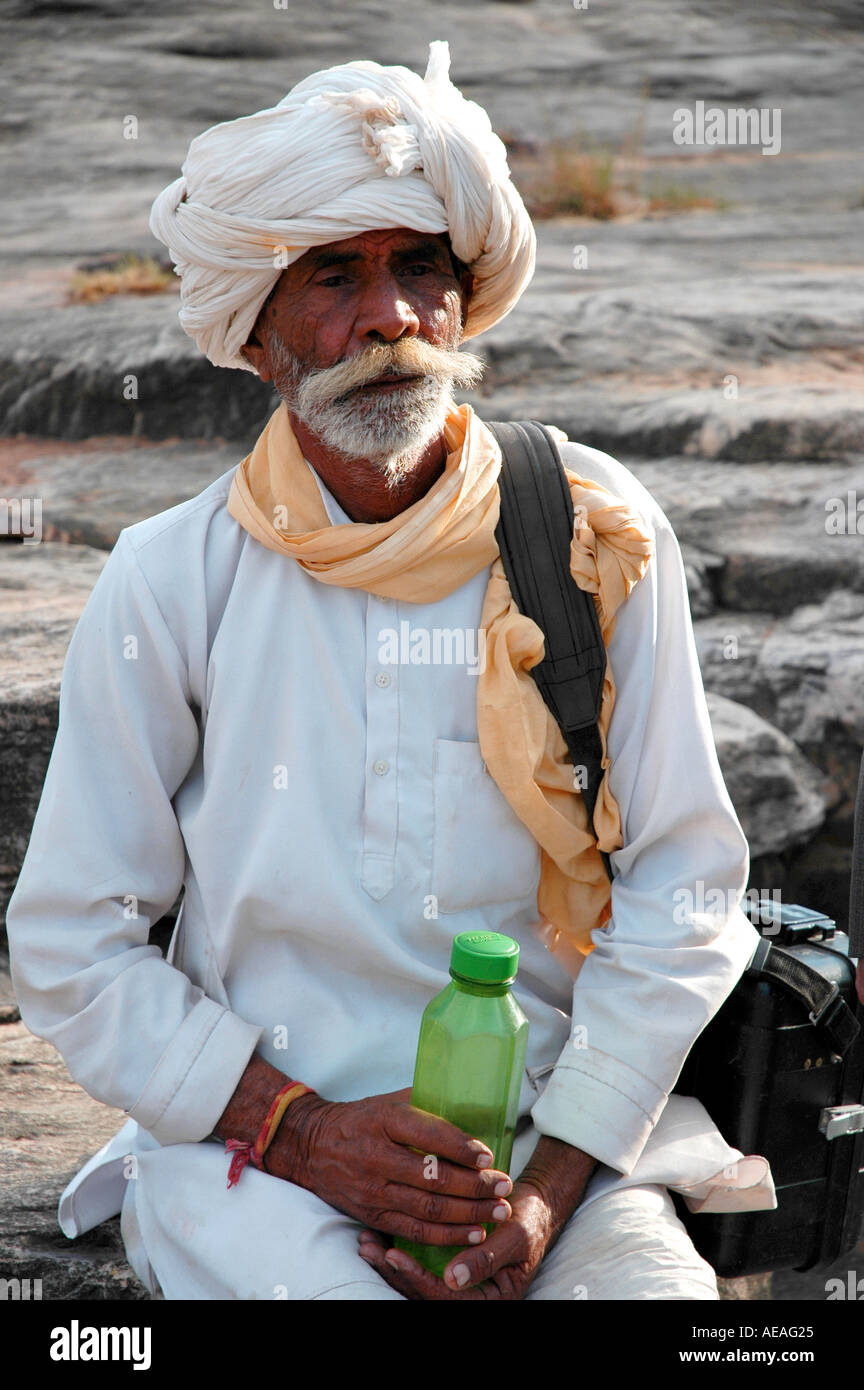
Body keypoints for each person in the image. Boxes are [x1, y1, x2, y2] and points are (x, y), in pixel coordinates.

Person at [6, 43, 774, 1301]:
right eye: (334, 277)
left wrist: (544, 1193)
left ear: (465, 301)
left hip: (553, 1146)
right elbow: (71, 944)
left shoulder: (592, 530)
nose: (390, 320)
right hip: (257, 1159)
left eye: (419, 268)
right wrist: (307, 1131)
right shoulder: (171, 578)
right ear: (258, 336)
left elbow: (689, 889)